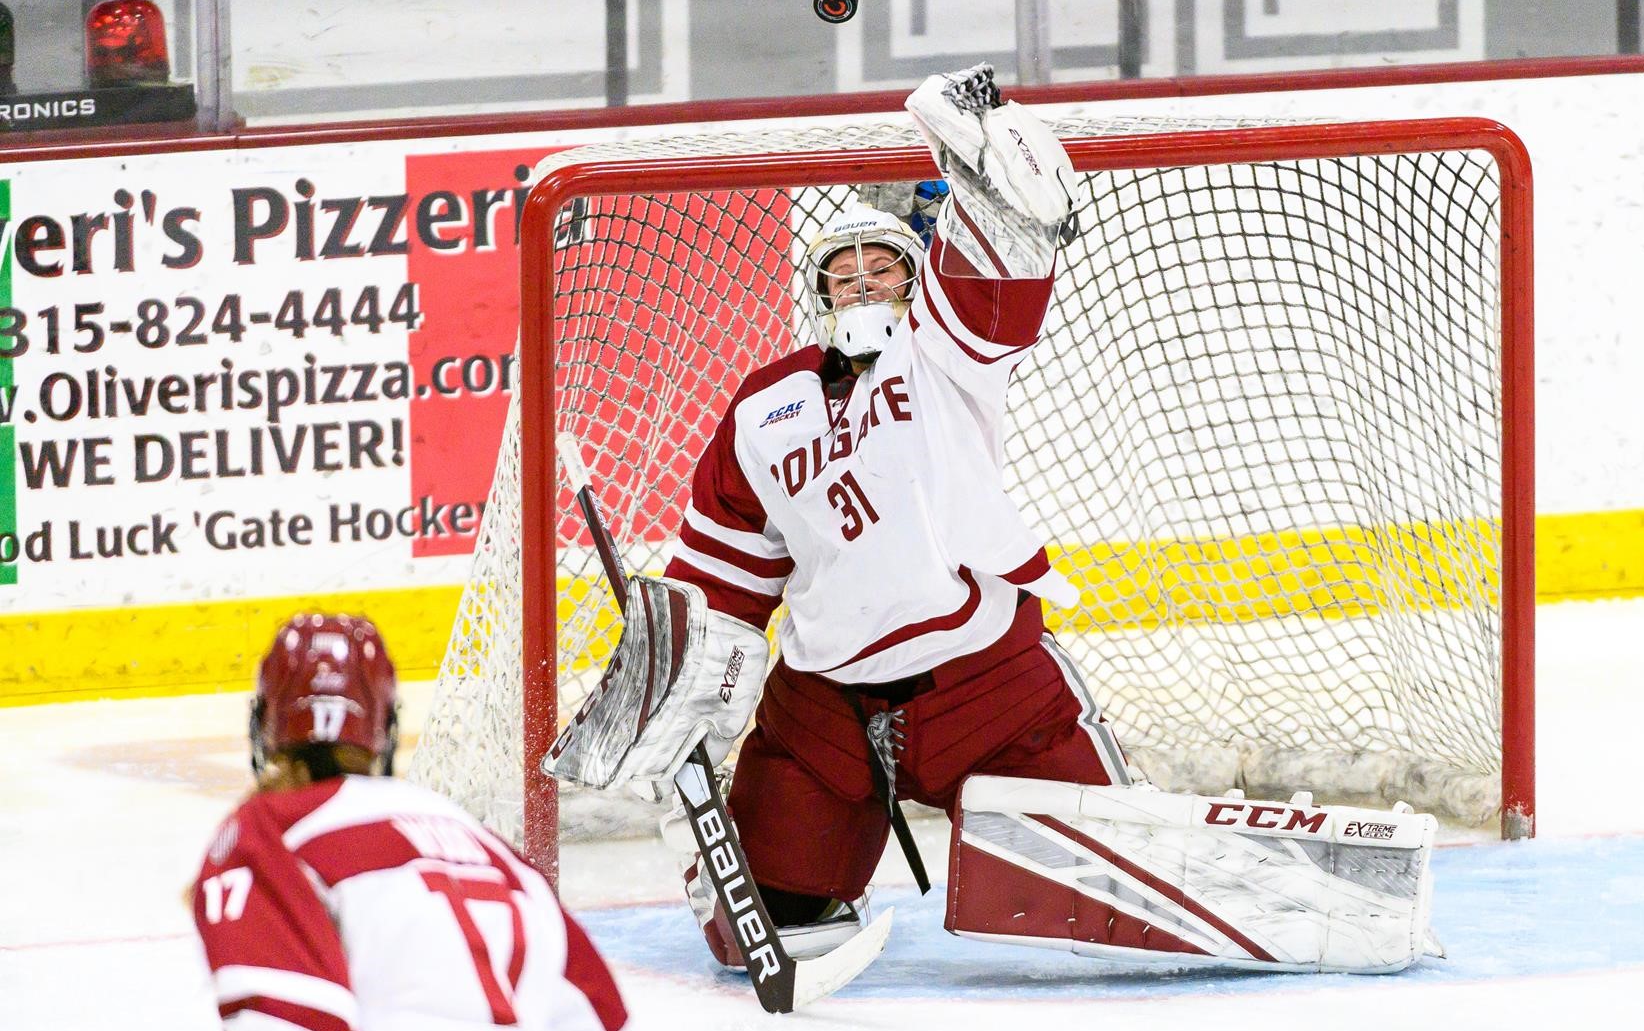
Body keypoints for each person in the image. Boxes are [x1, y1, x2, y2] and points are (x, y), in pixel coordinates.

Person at [652, 63, 1130, 967]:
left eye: (884, 270)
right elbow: (724, 575)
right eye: (844, 273)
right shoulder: (764, 404)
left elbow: (993, 292)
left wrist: (991, 191)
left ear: (914, 286)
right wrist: (678, 687)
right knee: (759, 923)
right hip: (825, 710)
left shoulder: (945, 354)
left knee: (1111, 903)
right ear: (818, 294)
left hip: (983, 688)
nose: (863, 286)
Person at [191, 613, 629, 1031]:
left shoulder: (267, 832)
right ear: (387, 728)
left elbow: (285, 1020)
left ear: (263, 726)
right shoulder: (488, 846)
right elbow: (603, 1015)